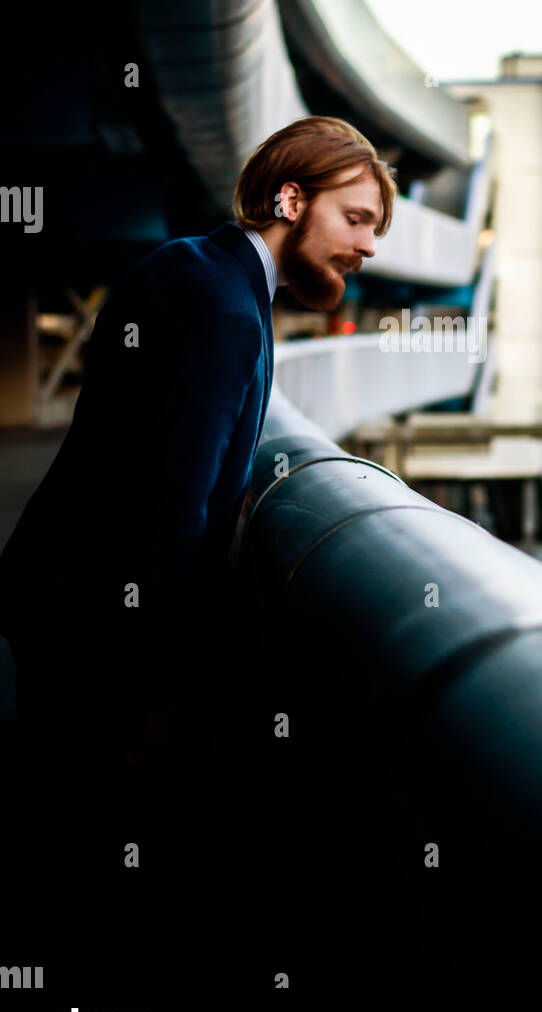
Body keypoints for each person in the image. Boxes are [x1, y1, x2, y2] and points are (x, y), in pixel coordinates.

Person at [0, 115, 395, 806]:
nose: (365, 247)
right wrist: (154, 691)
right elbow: (172, 508)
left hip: (59, 603)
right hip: (97, 644)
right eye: (356, 219)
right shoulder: (227, 309)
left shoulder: (192, 264)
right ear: (292, 201)